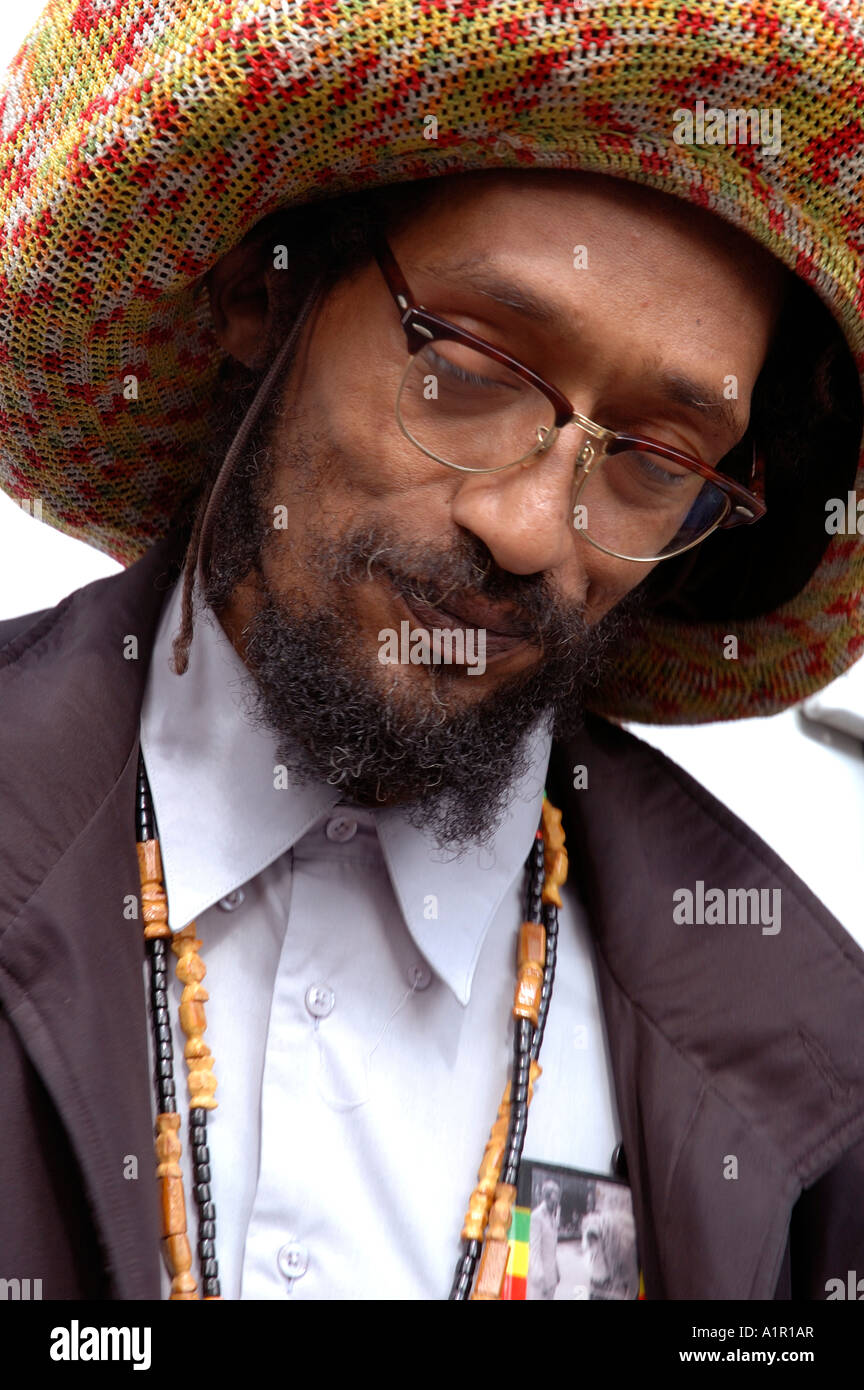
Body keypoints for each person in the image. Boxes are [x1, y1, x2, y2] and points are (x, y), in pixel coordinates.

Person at [1, 0, 863, 1302]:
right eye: (466, 363)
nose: (525, 528)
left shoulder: (808, 1059)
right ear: (261, 288)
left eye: (654, 460)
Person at [527, 1180, 562, 1300]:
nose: (556, 1204)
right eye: (553, 1201)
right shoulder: (536, 1217)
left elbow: (552, 1248)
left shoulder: (552, 1217)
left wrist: (556, 1270)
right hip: (540, 1280)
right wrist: (540, 1277)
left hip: (551, 1279)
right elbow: (534, 1248)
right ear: (546, 1198)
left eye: (557, 1200)